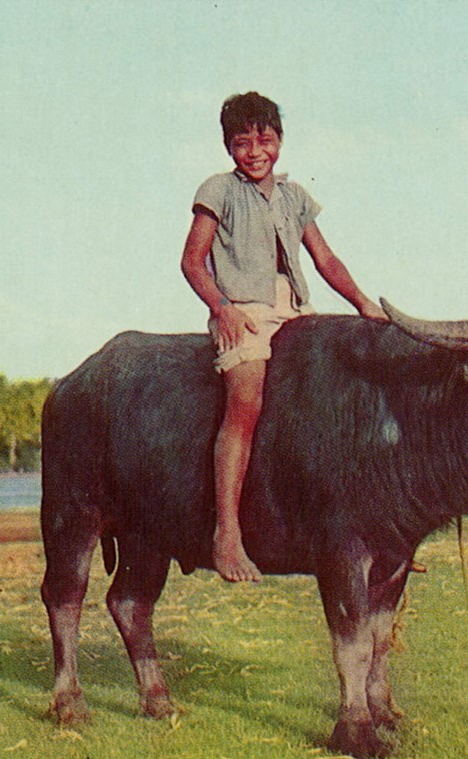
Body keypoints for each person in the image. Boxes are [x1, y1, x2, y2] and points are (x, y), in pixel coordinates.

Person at [180, 92, 387, 582]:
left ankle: (372, 530)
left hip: (293, 307)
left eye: (265, 140)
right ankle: (227, 534)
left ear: (280, 141)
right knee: (245, 403)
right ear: (228, 147)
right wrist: (222, 309)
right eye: (242, 143)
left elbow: (325, 259)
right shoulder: (218, 190)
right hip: (244, 311)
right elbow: (192, 262)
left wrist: (363, 304)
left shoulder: (294, 197)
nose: (255, 152)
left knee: (345, 391)